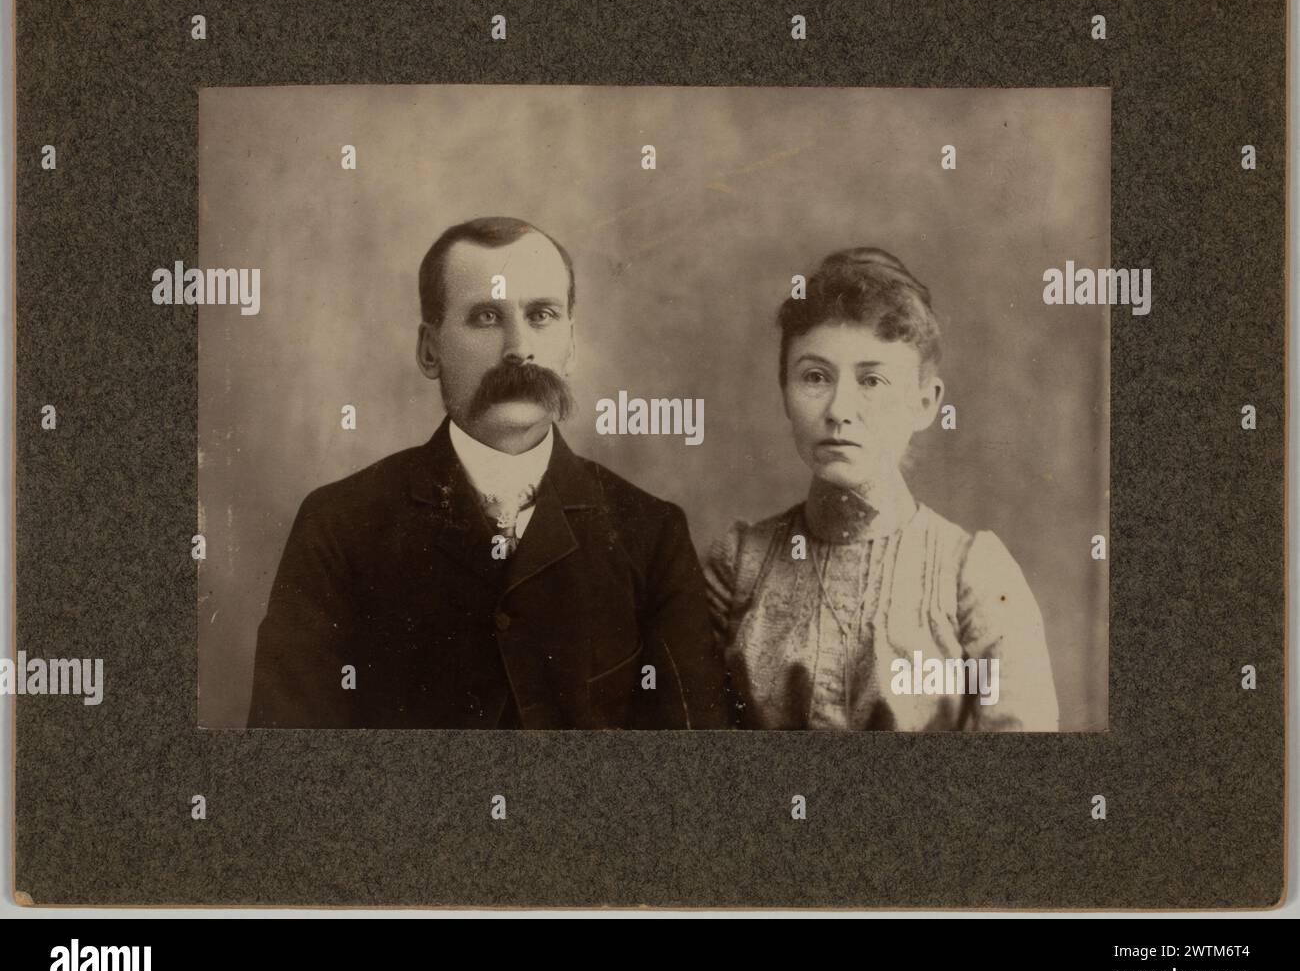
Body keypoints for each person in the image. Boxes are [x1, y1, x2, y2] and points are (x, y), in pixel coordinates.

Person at [248, 216, 728, 729]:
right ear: (429, 351)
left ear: (570, 344)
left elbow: (687, 768)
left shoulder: (651, 535)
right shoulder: (338, 526)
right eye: (485, 317)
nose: (518, 348)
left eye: (541, 315)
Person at [703, 247, 1059, 731]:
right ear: (784, 392)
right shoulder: (737, 566)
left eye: (872, 380)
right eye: (814, 377)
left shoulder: (970, 573)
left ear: (924, 403)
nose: (839, 409)